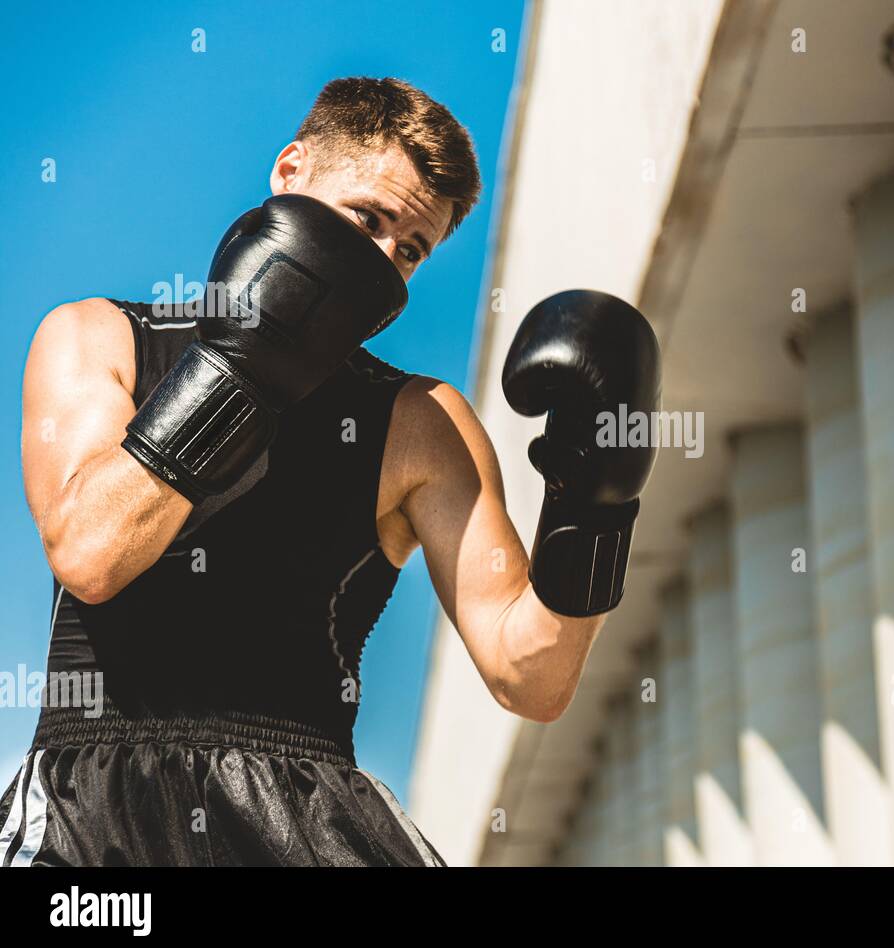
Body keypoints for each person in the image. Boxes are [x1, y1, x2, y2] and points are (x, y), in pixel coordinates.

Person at [0, 76, 659, 866]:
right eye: (366, 219)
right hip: (88, 814)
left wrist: (598, 504)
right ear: (291, 173)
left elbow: (531, 675)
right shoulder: (101, 338)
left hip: (306, 823)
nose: (381, 261)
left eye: (410, 250)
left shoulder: (421, 422)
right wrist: (240, 367)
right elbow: (91, 555)